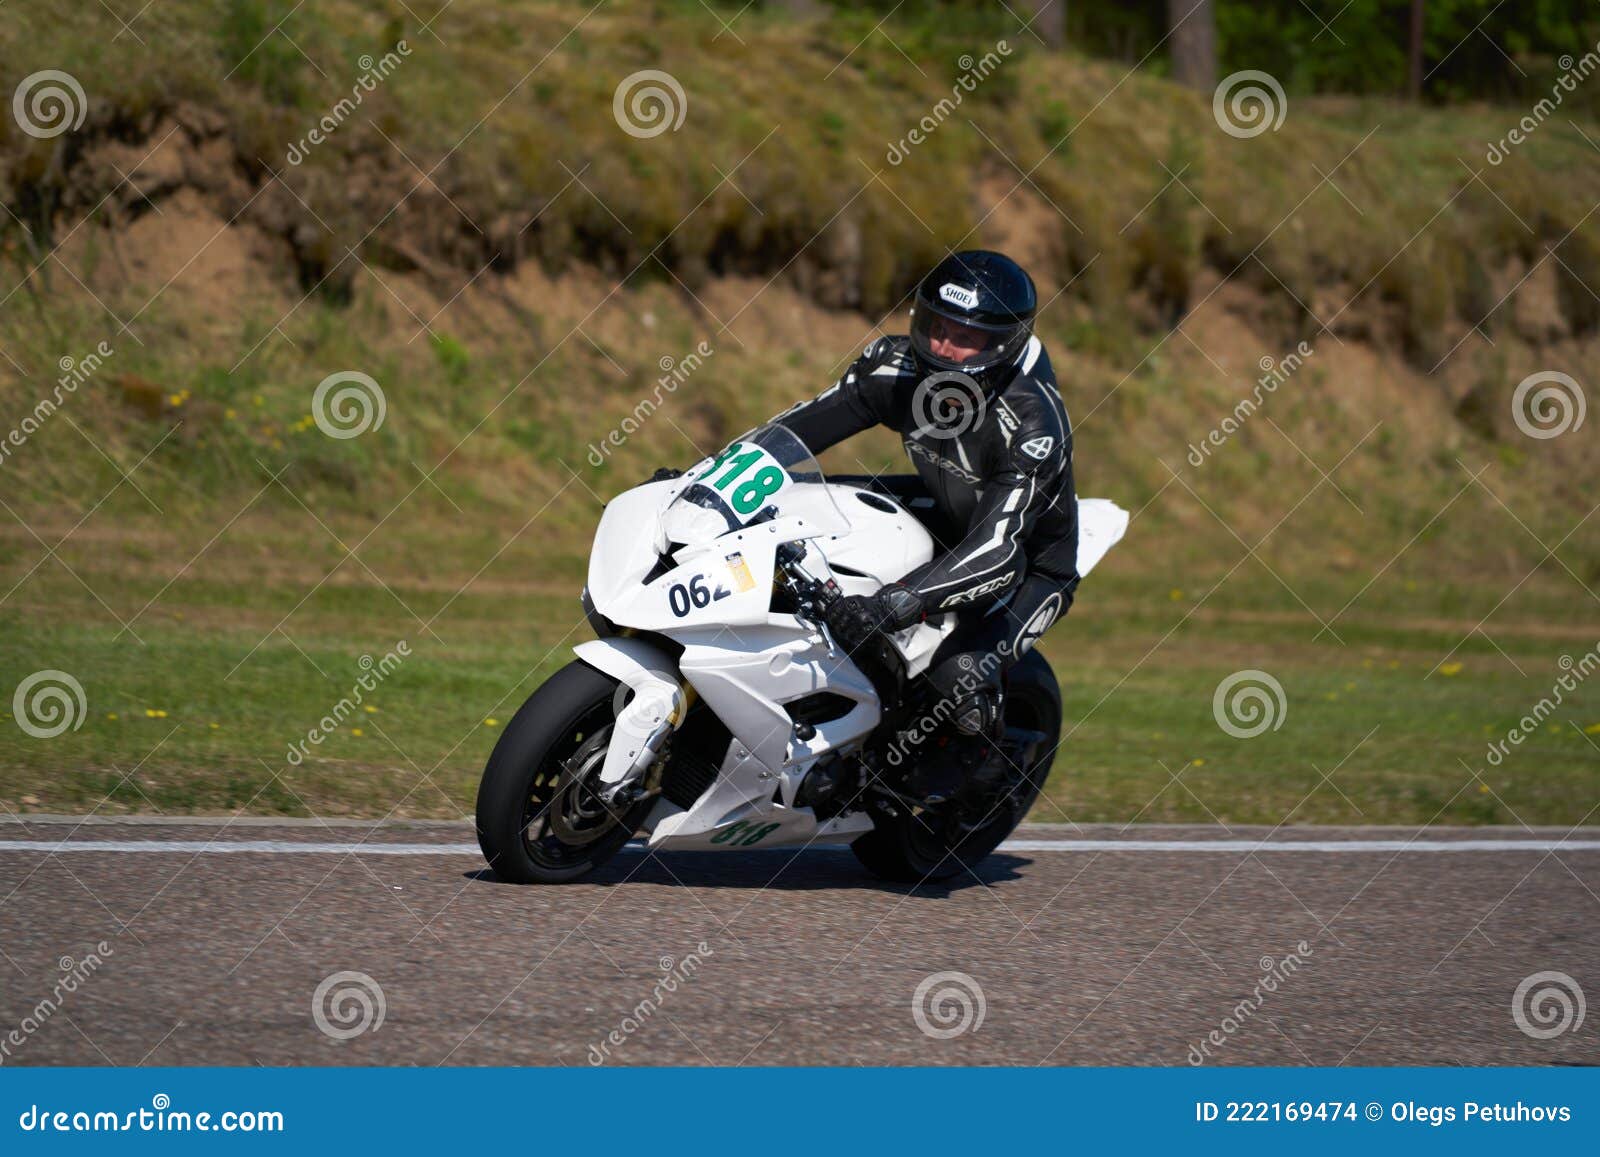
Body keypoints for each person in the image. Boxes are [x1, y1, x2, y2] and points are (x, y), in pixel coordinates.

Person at [774, 249, 1080, 801]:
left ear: (1002, 344)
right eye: (936, 327)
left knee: (955, 674)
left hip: (1026, 564)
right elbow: (799, 429)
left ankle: (981, 769)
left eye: (965, 337)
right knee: (791, 519)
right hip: (940, 512)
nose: (943, 346)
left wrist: (896, 604)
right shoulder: (896, 367)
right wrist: (717, 476)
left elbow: (996, 550)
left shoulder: (1034, 422)